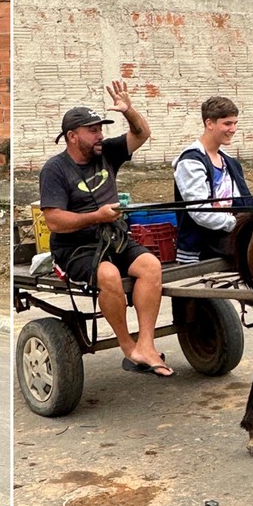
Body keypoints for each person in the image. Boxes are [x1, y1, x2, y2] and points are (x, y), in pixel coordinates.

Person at [39, 80, 173, 377]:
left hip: (114, 238)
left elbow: (142, 133)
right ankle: (127, 346)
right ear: (73, 136)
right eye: (93, 130)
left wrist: (129, 111)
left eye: (100, 128)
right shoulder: (55, 169)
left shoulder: (106, 152)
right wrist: (96, 216)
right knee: (109, 275)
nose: (100, 135)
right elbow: (54, 221)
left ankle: (146, 345)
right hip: (75, 246)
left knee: (151, 265)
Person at [172, 96, 253, 263]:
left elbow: (246, 205)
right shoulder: (191, 161)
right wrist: (238, 223)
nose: (233, 129)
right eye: (227, 123)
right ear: (209, 123)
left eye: (235, 123)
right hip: (199, 254)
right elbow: (201, 212)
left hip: (229, 245)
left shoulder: (231, 163)